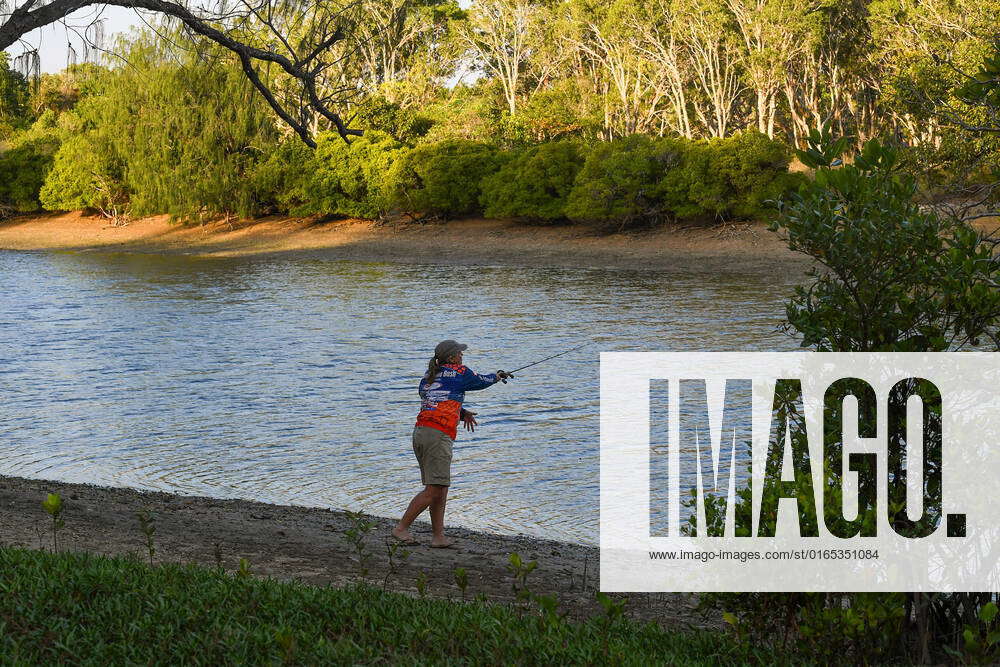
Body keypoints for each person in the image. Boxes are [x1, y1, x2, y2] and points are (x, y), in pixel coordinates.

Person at [392, 339, 512, 548]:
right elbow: (481, 381)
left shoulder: (428, 377)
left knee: (440, 487)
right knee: (434, 489)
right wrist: (497, 376)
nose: (462, 356)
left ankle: (438, 537)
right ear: (452, 357)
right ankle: (401, 528)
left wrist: (462, 412)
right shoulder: (460, 371)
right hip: (437, 434)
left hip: (421, 433)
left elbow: (435, 397)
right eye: (460, 353)